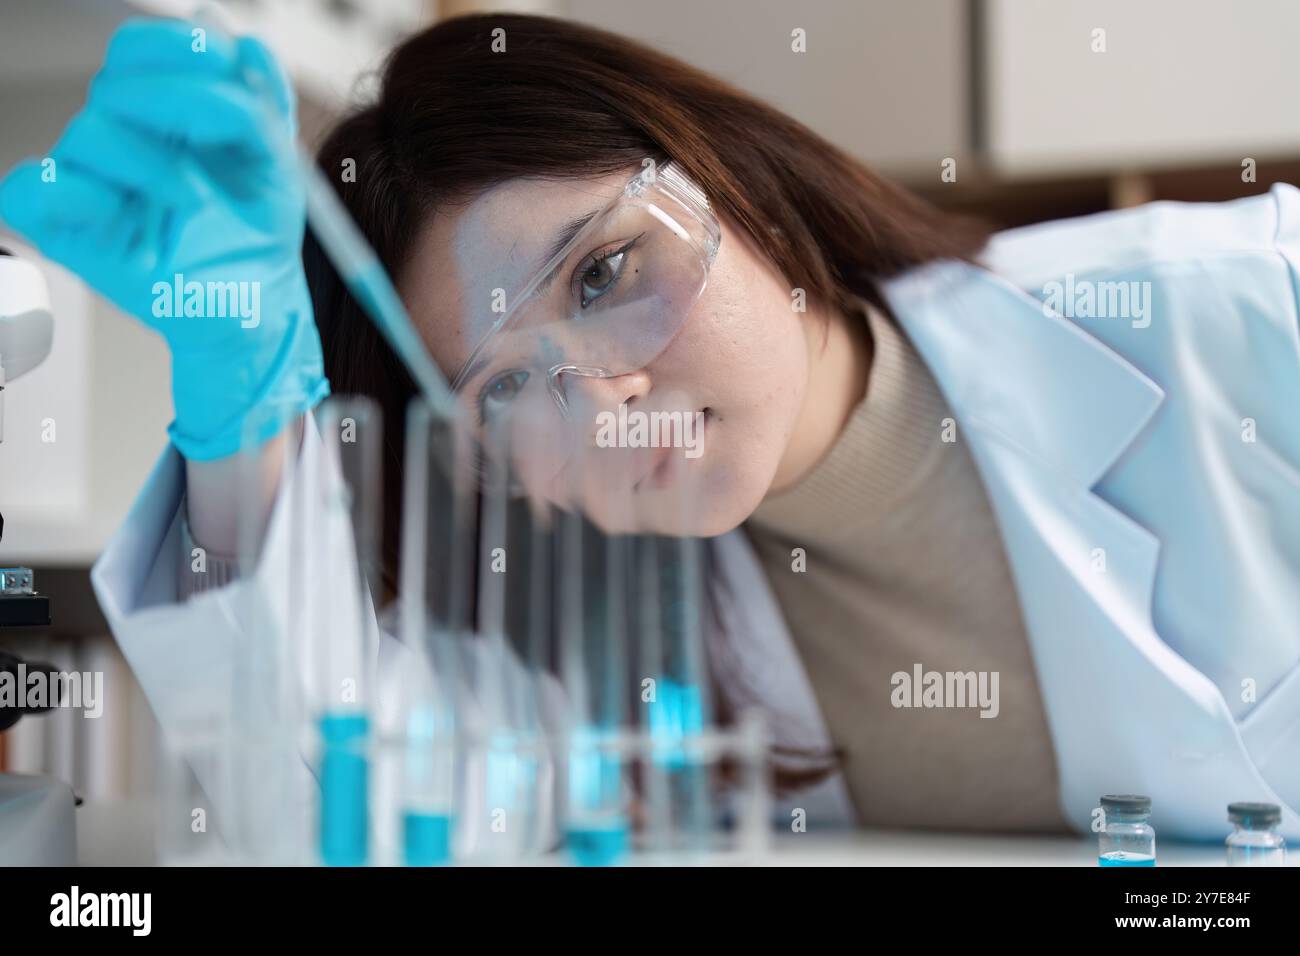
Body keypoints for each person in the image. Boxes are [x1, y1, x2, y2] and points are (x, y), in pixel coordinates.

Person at [2, 14, 1298, 844]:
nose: (601, 410)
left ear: (728, 176)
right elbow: (341, 823)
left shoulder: (1245, 310)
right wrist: (246, 420)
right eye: (505, 390)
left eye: (605, 276)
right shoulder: (603, 628)